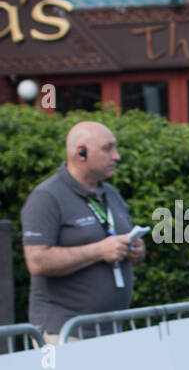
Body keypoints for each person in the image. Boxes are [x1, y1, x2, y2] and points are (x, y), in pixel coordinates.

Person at [21, 121, 146, 345]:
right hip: (65, 333)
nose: (116, 156)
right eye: (107, 148)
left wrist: (135, 250)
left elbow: (119, 242)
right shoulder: (47, 197)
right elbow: (37, 261)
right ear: (81, 153)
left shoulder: (111, 194)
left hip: (110, 330)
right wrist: (99, 250)